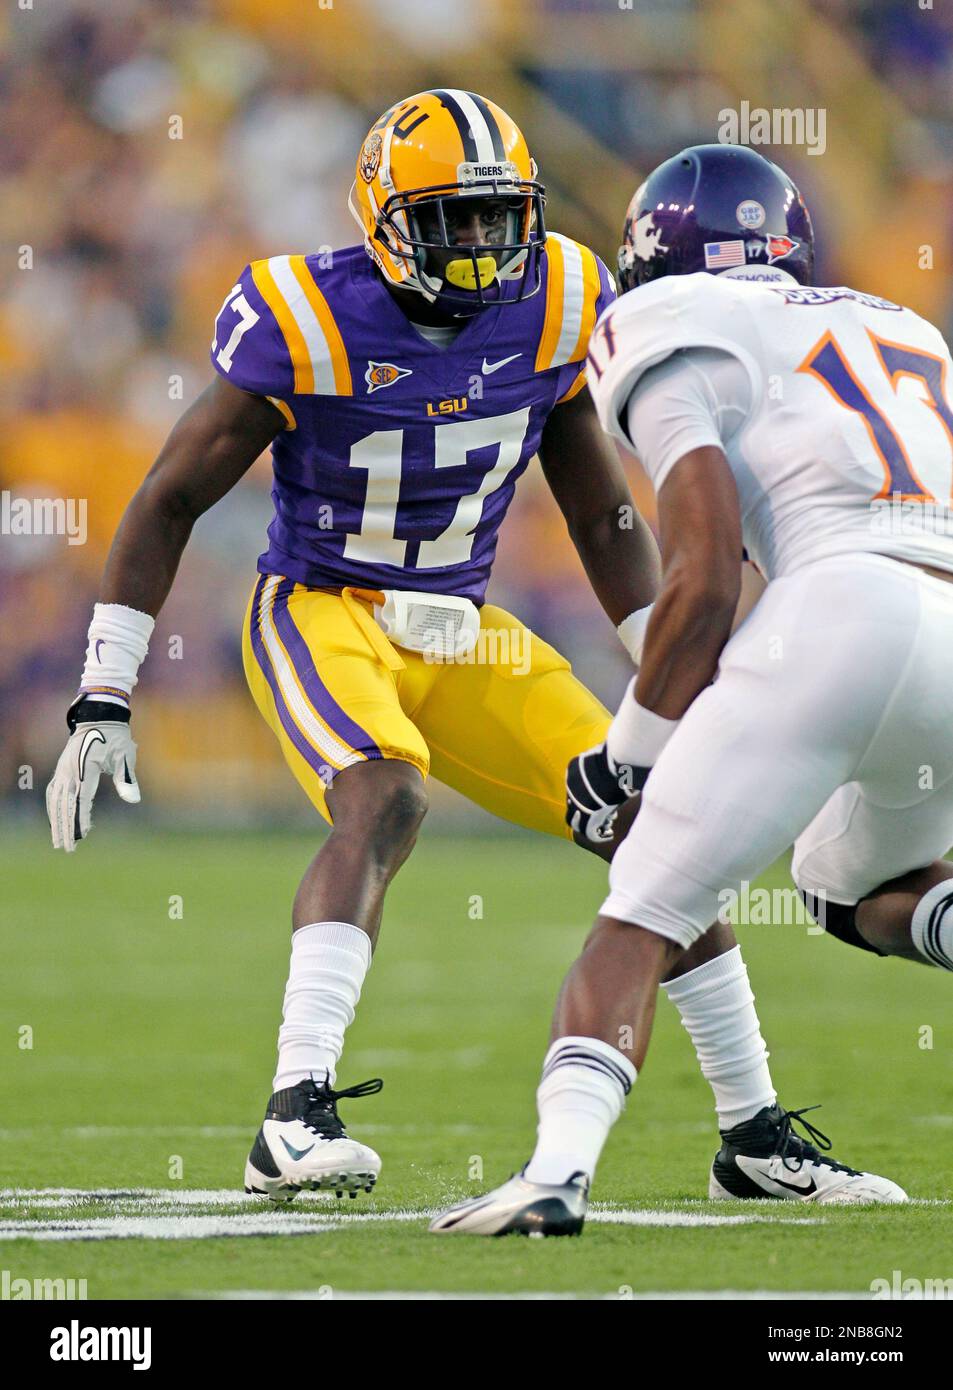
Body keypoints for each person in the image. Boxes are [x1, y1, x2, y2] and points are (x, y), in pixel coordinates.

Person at [45, 103, 884, 1207]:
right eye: (453, 221)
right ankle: (292, 1110)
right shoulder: (304, 314)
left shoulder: (560, 297)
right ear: (385, 221)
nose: (484, 247)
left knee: (661, 820)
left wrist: (662, 673)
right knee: (386, 798)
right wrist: (105, 689)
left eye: (499, 218)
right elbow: (171, 496)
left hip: (462, 622)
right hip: (321, 607)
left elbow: (596, 515)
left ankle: (750, 1131)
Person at [431, 143, 937, 1236]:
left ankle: (554, 1173)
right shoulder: (905, 325)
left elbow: (701, 574)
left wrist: (629, 757)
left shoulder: (664, 321)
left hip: (840, 603)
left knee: (640, 915)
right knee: (845, 887)